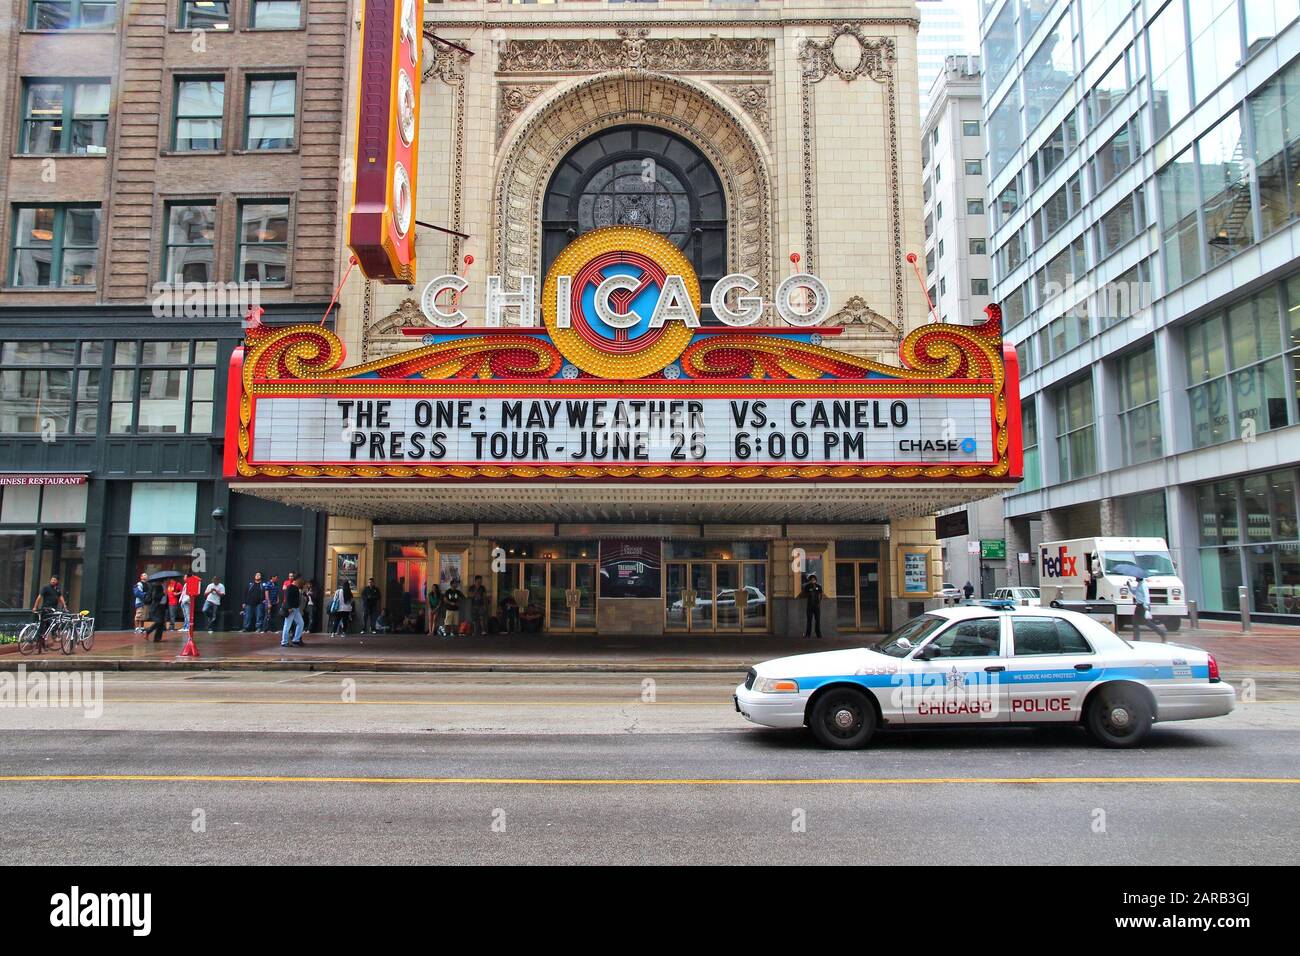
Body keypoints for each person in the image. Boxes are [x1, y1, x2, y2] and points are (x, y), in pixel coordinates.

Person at [33, 574, 67, 643]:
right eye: (52, 579)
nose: (53, 581)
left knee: (49, 625)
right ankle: (40, 638)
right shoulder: (46, 588)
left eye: (54, 580)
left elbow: (61, 597)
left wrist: (64, 606)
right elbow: (39, 597)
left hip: (53, 609)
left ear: (57, 581)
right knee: (47, 623)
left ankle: (43, 642)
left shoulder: (57, 589)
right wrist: (35, 606)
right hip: (46, 609)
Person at [1131, 576, 1167, 641]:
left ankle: (1162, 633)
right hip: (1139, 605)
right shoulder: (1139, 584)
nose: (1135, 578)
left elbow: (1146, 596)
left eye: (1136, 577)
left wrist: (1146, 607)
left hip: (1143, 606)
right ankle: (1136, 639)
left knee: (1146, 622)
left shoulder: (1143, 585)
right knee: (1135, 622)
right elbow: (1134, 592)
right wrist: (1129, 586)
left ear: (1139, 578)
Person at [280, 572, 305, 647]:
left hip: (296, 609)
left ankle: (296, 640)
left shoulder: (296, 588)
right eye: (300, 579)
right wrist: (289, 608)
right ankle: (284, 642)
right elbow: (287, 599)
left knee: (300, 623)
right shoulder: (290, 587)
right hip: (291, 609)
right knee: (287, 625)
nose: (301, 580)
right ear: (297, 579)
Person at [800, 573, 824, 639]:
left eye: (814, 579)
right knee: (809, 620)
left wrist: (819, 602)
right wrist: (809, 593)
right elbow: (804, 594)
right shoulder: (807, 586)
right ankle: (808, 634)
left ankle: (818, 634)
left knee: (817, 620)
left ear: (816, 580)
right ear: (810, 580)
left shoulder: (818, 586)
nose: (813, 580)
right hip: (810, 606)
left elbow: (821, 594)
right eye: (811, 579)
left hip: (816, 606)